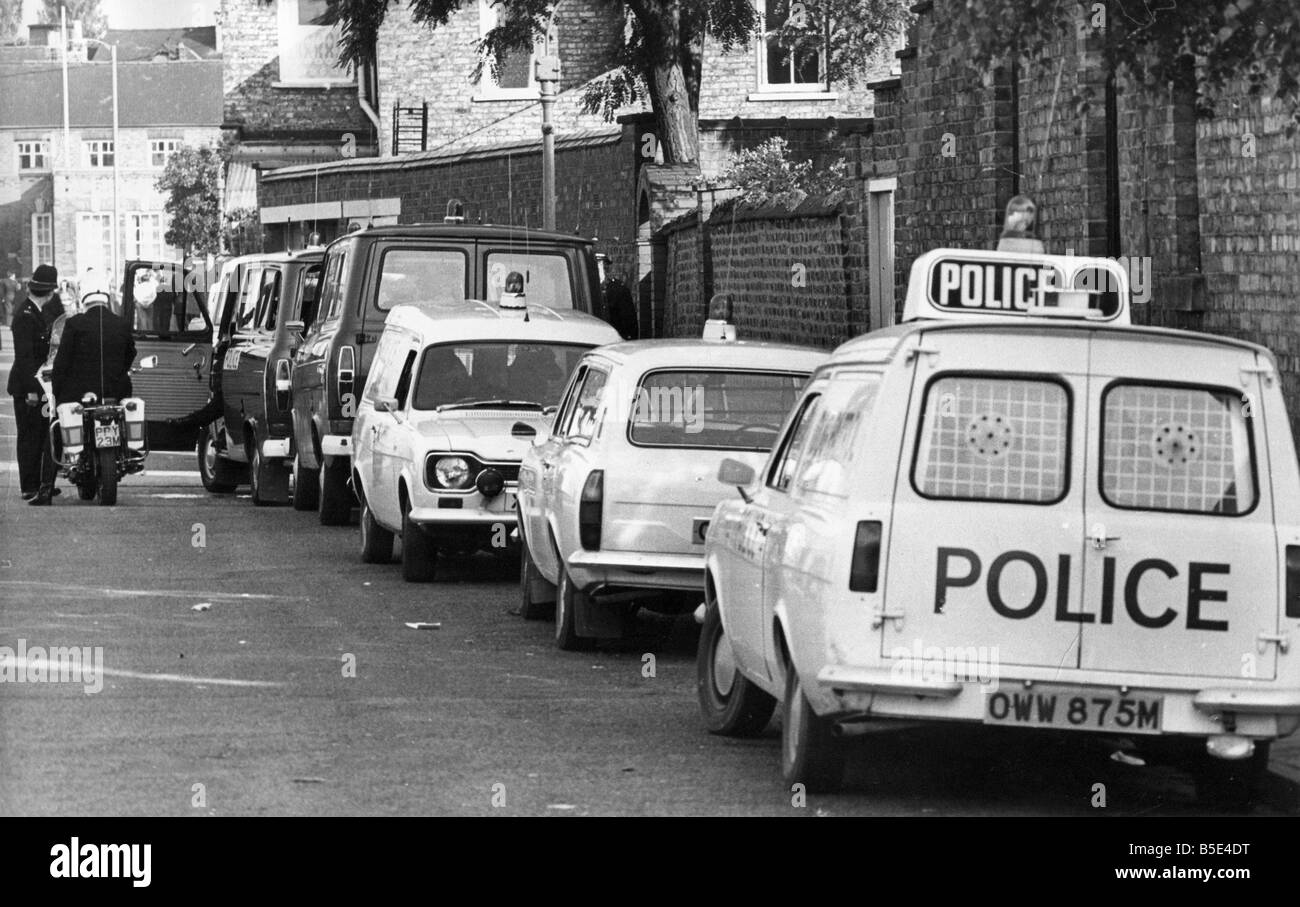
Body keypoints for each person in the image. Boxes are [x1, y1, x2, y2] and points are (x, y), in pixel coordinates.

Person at [44, 274, 137, 505]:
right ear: (106, 297)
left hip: (81, 392)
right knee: (126, 412)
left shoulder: (75, 324)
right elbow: (130, 354)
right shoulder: (122, 323)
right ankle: (129, 453)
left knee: (57, 425)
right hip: (115, 390)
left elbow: (63, 361)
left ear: (85, 298)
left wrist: (56, 388)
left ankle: (47, 485)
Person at [8, 264, 60, 503]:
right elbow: (25, 357)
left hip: (39, 384)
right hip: (29, 386)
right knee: (29, 436)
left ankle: (40, 482)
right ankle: (29, 485)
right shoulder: (27, 316)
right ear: (49, 292)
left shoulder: (34, 312)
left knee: (40, 434)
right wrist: (31, 390)